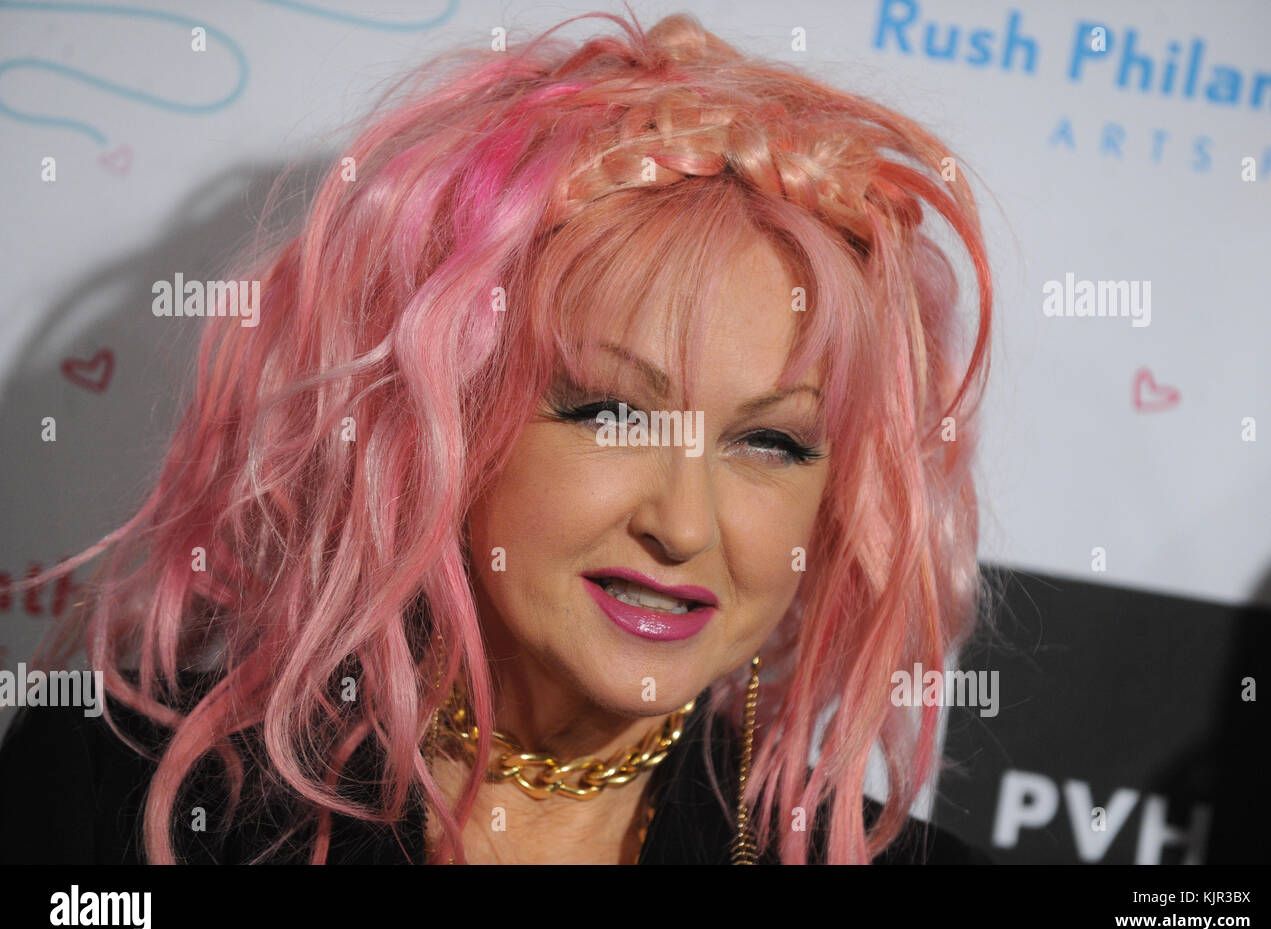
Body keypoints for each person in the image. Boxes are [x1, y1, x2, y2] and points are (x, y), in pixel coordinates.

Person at [0, 9, 995, 865]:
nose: (684, 524)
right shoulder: (118, 791)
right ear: (449, 420)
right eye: (611, 414)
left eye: (769, 444)